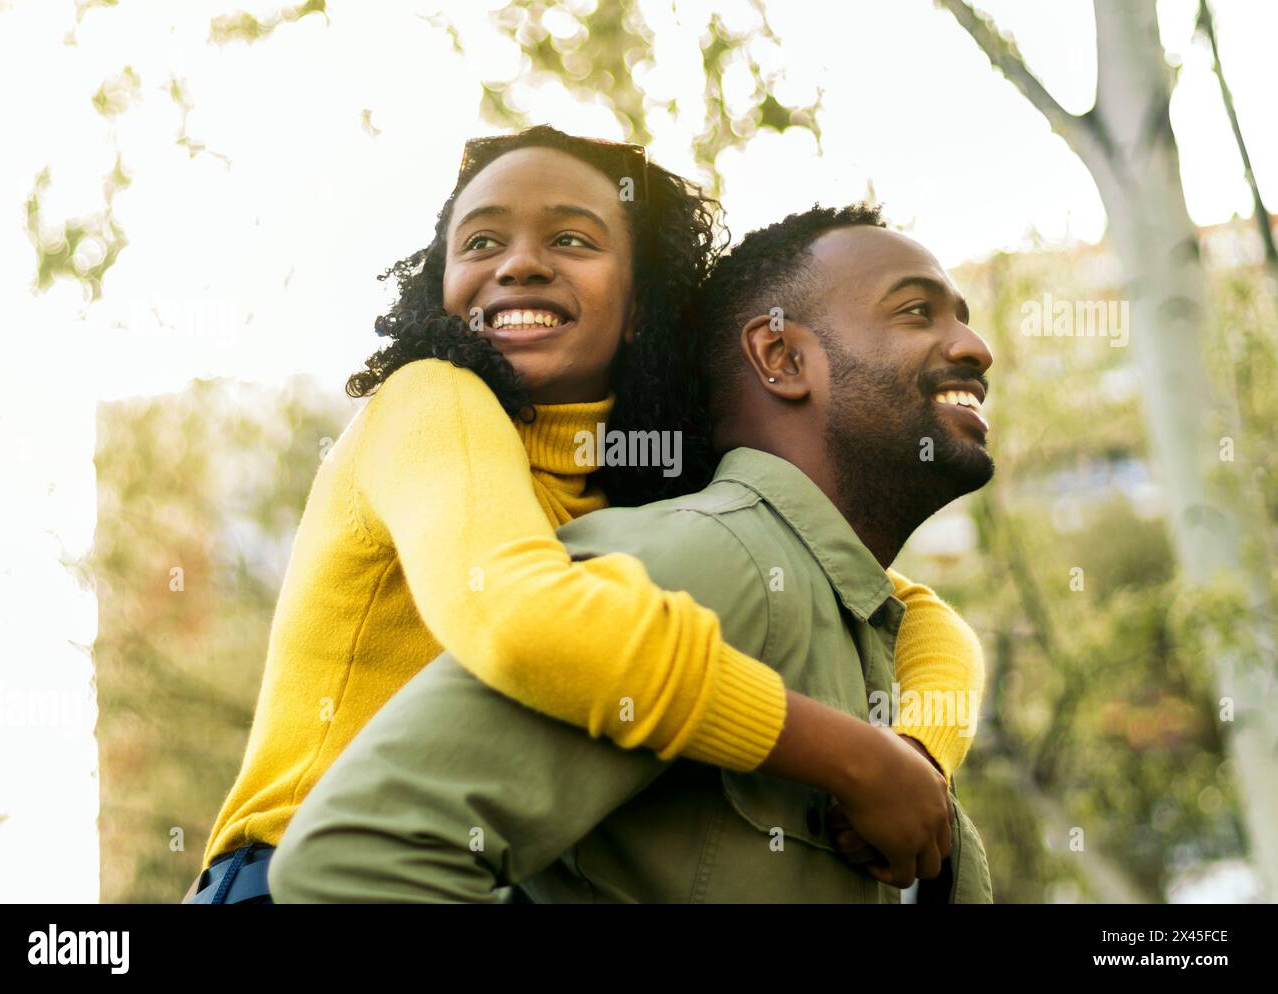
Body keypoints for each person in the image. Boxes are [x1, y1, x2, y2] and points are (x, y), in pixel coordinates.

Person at [185, 128, 982, 904]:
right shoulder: (431, 400)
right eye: (482, 242)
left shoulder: (644, 484)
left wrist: (919, 754)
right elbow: (518, 613)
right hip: (293, 870)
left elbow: (910, 613)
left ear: (639, 309)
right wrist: (852, 759)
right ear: (442, 288)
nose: (520, 264)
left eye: (570, 239)